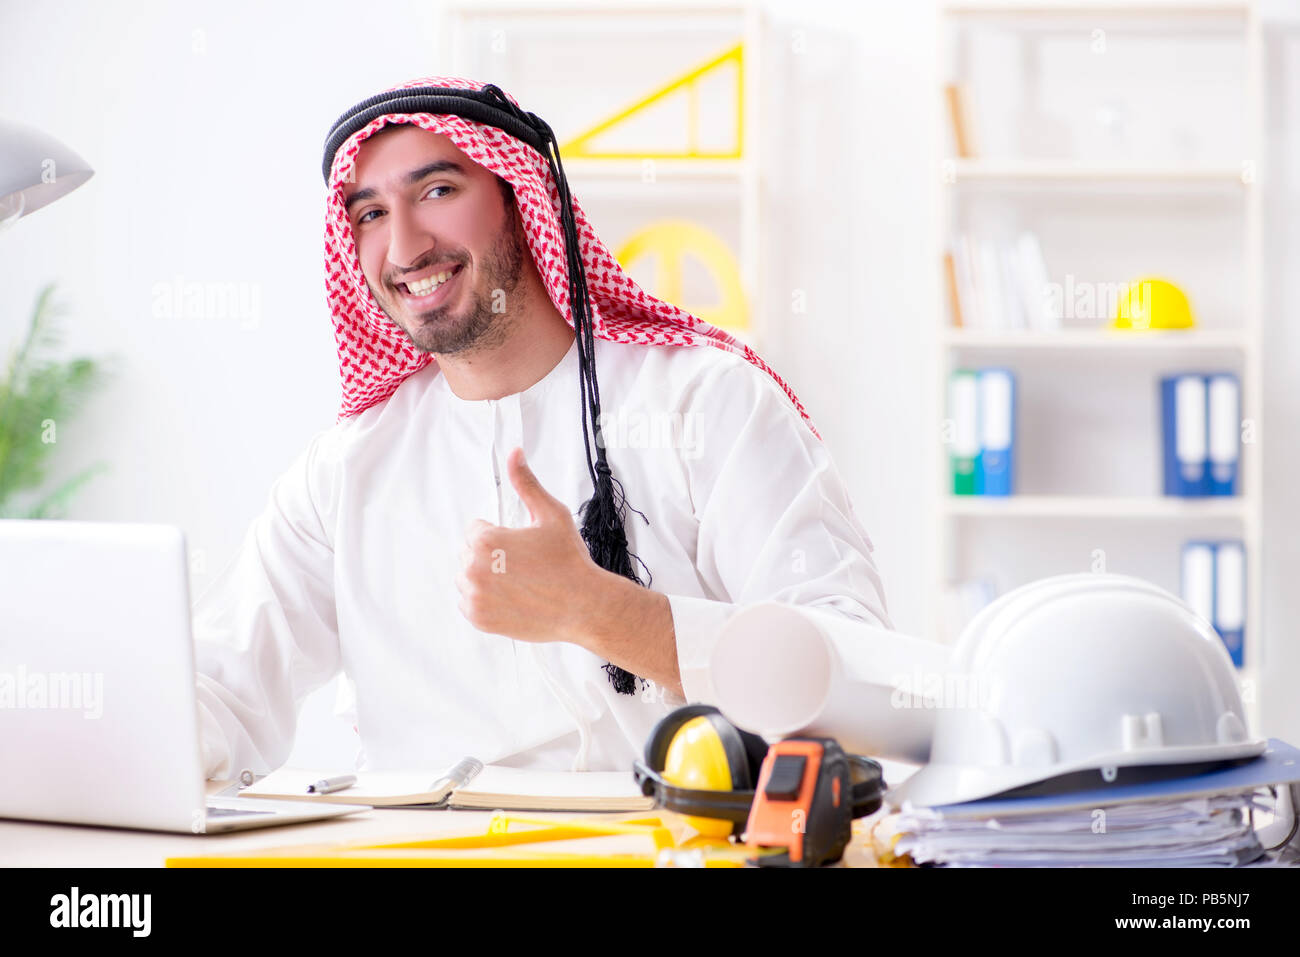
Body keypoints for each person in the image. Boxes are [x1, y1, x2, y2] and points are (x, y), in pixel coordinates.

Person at [193, 77, 891, 779]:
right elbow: (219, 690)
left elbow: (861, 682)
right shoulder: (344, 471)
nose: (404, 247)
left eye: (437, 190)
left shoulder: (708, 405)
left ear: (522, 199)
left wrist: (604, 613)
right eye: (370, 213)